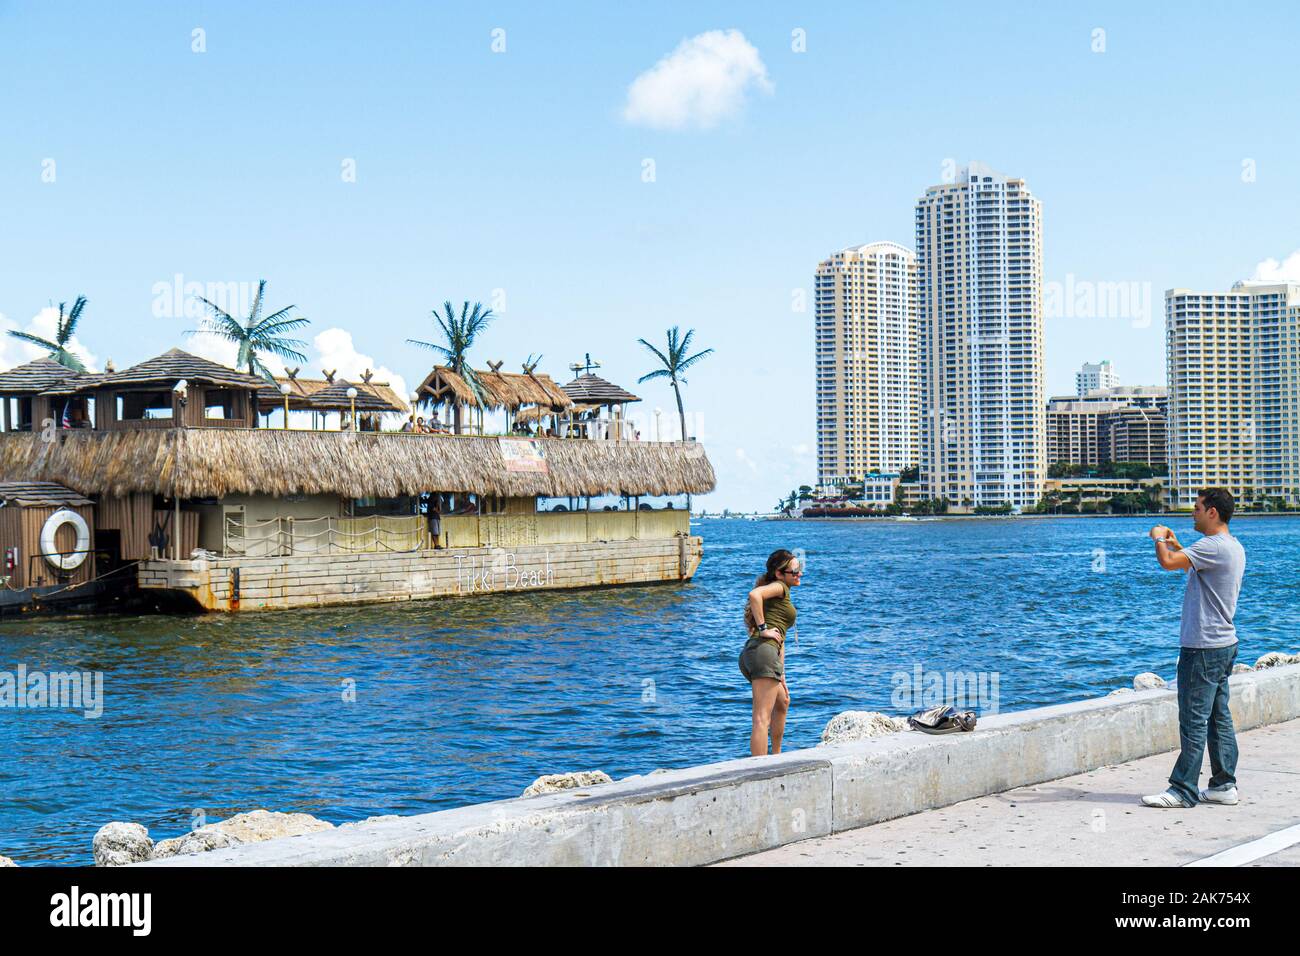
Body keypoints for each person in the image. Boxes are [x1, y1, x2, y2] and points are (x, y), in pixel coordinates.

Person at [1142, 488, 1246, 809]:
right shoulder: (1230, 547)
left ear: (1212, 512)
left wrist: (1159, 538)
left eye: (1198, 508)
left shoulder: (1212, 546)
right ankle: (1223, 785)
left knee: (1193, 719)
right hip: (1223, 644)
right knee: (1217, 718)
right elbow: (1193, 565)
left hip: (1202, 647)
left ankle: (1183, 789)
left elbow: (1169, 563)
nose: (1193, 513)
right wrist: (1177, 546)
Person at [739, 549, 802, 756]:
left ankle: (776, 757)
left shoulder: (782, 592)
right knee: (761, 718)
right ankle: (760, 771)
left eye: (799, 570)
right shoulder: (779, 587)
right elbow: (754, 595)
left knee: (782, 701)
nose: (799, 574)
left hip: (762, 654)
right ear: (779, 573)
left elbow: (780, 639)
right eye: (794, 571)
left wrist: (782, 674)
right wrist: (764, 628)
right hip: (763, 652)